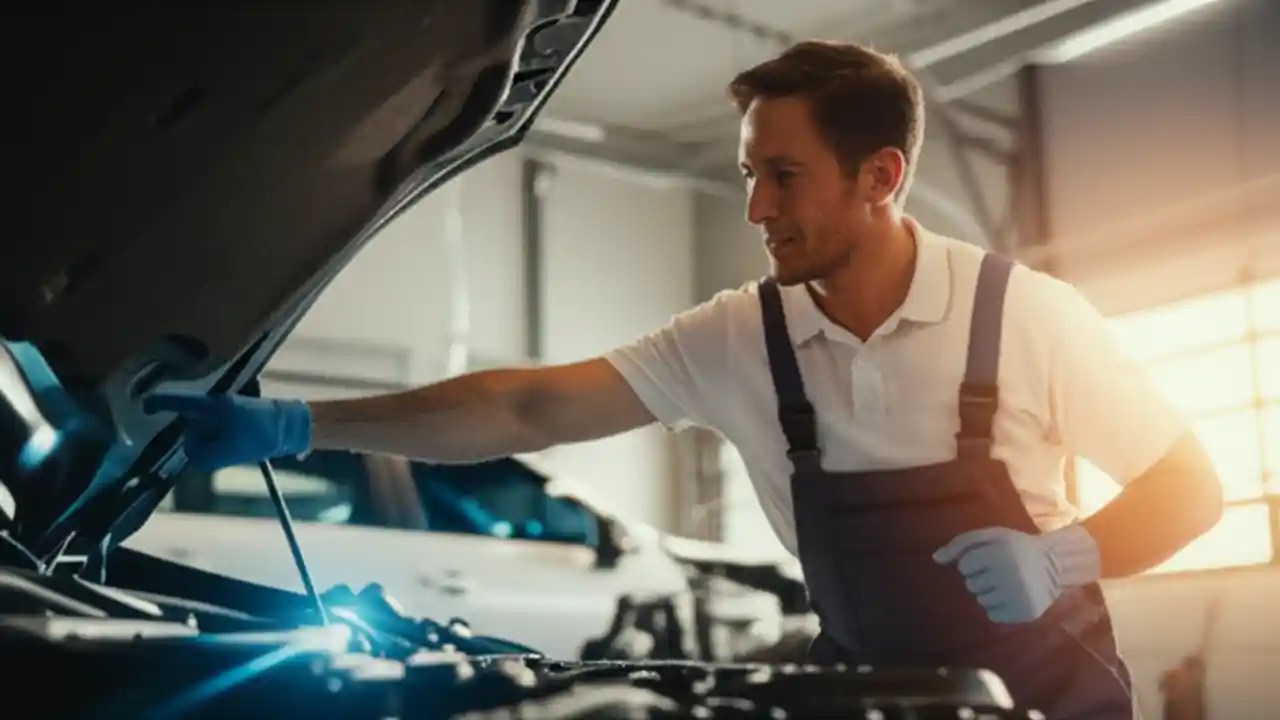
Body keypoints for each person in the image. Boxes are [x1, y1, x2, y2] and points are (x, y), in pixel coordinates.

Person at [146, 41, 1223, 719]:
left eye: (783, 176)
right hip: (866, 704)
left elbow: (1192, 488)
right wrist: (297, 422)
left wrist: (1058, 557)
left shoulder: (1024, 315)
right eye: (747, 174)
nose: (755, 208)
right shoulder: (736, 336)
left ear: (880, 177)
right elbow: (529, 406)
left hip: (1050, 702)